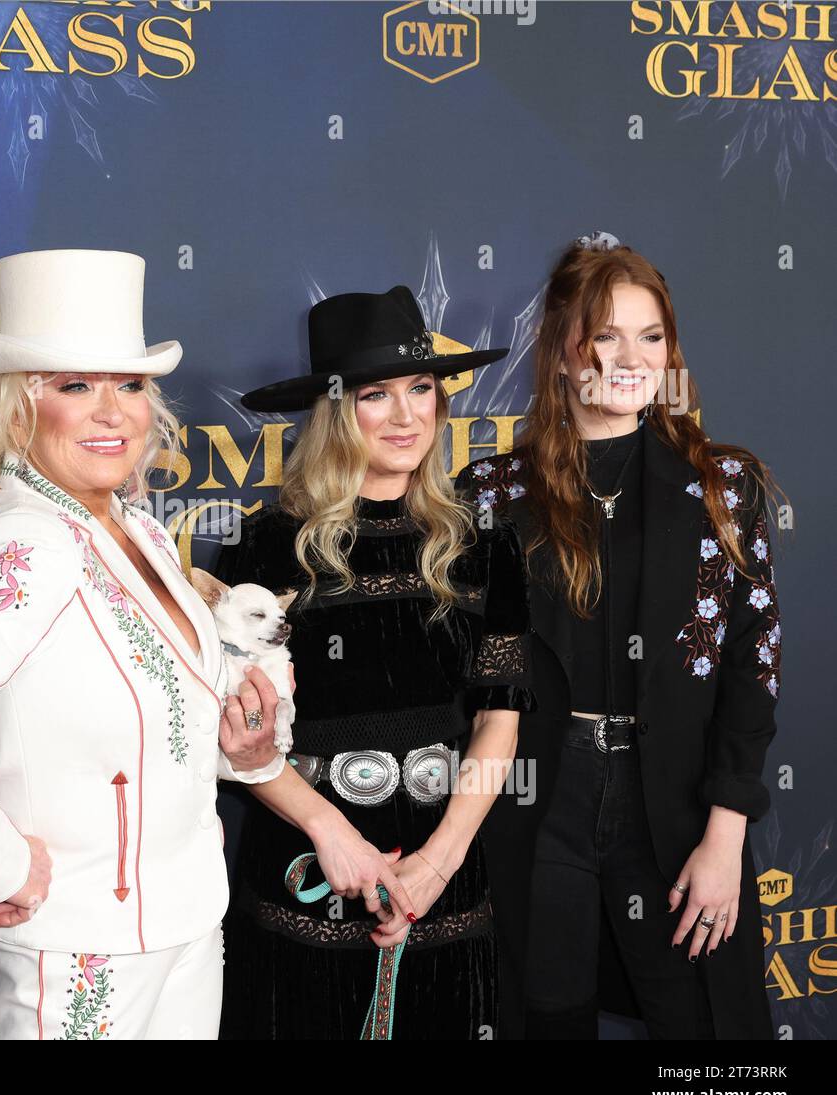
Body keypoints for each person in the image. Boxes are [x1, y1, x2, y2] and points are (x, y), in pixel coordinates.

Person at [0, 247, 324, 1040]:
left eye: (130, 385)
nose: (112, 411)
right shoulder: (31, 542)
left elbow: (146, 726)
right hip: (75, 945)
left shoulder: (136, 525)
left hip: (185, 922)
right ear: (17, 408)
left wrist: (234, 747)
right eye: (75, 385)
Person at [455, 232, 783, 1039]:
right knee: (544, 1014)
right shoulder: (492, 493)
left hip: (677, 801)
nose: (629, 358)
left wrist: (726, 832)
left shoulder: (722, 486)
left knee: (708, 1034)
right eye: (605, 335)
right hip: (541, 795)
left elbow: (752, 665)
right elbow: (463, 671)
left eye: (651, 335)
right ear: (564, 353)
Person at [215, 284, 534, 1039]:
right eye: (374, 395)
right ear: (334, 412)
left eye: (420, 389)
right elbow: (238, 734)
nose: (404, 415)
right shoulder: (263, 551)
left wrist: (437, 864)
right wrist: (334, 834)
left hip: (445, 881)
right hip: (305, 869)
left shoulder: (485, 550)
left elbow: (500, 722)